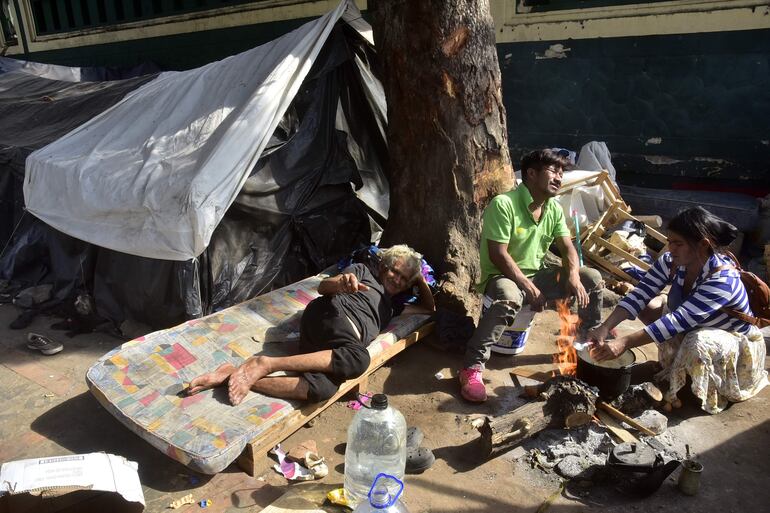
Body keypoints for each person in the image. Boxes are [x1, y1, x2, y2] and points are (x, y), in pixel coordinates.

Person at [187, 244, 435, 405]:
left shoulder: (393, 307)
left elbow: (428, 308)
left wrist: (419, 278)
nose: (397, 280)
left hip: (336, 349)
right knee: (359, 359)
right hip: (328, 316)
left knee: (322, 389)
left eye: (404, 279)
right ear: (383, 266)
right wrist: (340, 284)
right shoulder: (362, 272)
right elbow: (323, 287)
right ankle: (266, 363)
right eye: (395, 271)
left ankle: (232, 375)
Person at [588, 207, 768, 414]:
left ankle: (700, 389)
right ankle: (676, 365)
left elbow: (677, 321)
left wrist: (623, 343)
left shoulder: (723, 280)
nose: (670, 248)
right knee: (647, 306)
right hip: (691, 327)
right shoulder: (671, 262)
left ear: (703, 245)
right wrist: (604, 328)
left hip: (730, 343)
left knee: (698, 342)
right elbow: (640, 293)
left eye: (678, 243)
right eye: (669, 241)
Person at [459, 149, 604, 402]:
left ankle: (585, 345)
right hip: (502, 276)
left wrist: (573, 274)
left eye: (561, 173)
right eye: (553, 171)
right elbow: (498, 254)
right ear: (531, 174)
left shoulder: (553, 208)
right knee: (509, 296)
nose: (559, 177)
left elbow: (568, 247)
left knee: (591, 277)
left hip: (537, 275)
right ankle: (472, 367)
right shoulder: (504, 204)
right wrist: (527, 286)